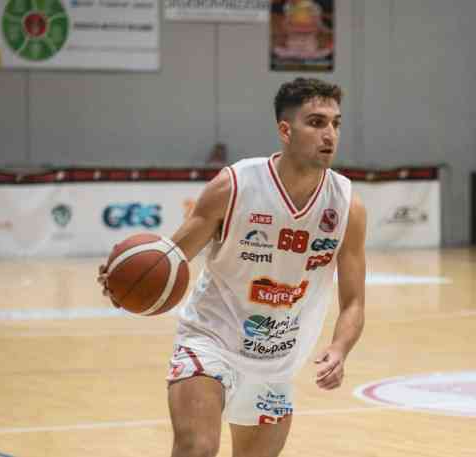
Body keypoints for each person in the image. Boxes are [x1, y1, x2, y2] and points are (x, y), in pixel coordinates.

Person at [99, 77, 367, 457]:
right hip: (211, 339)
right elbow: (173, 257)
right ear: (285, 130)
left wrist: (340, 348)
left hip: (276, 361)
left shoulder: (347, 207)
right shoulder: (236, 185)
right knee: (197, 448)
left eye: (336, 124)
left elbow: (354, 301)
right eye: (316, 122)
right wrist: (123, 278)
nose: (329, 134)